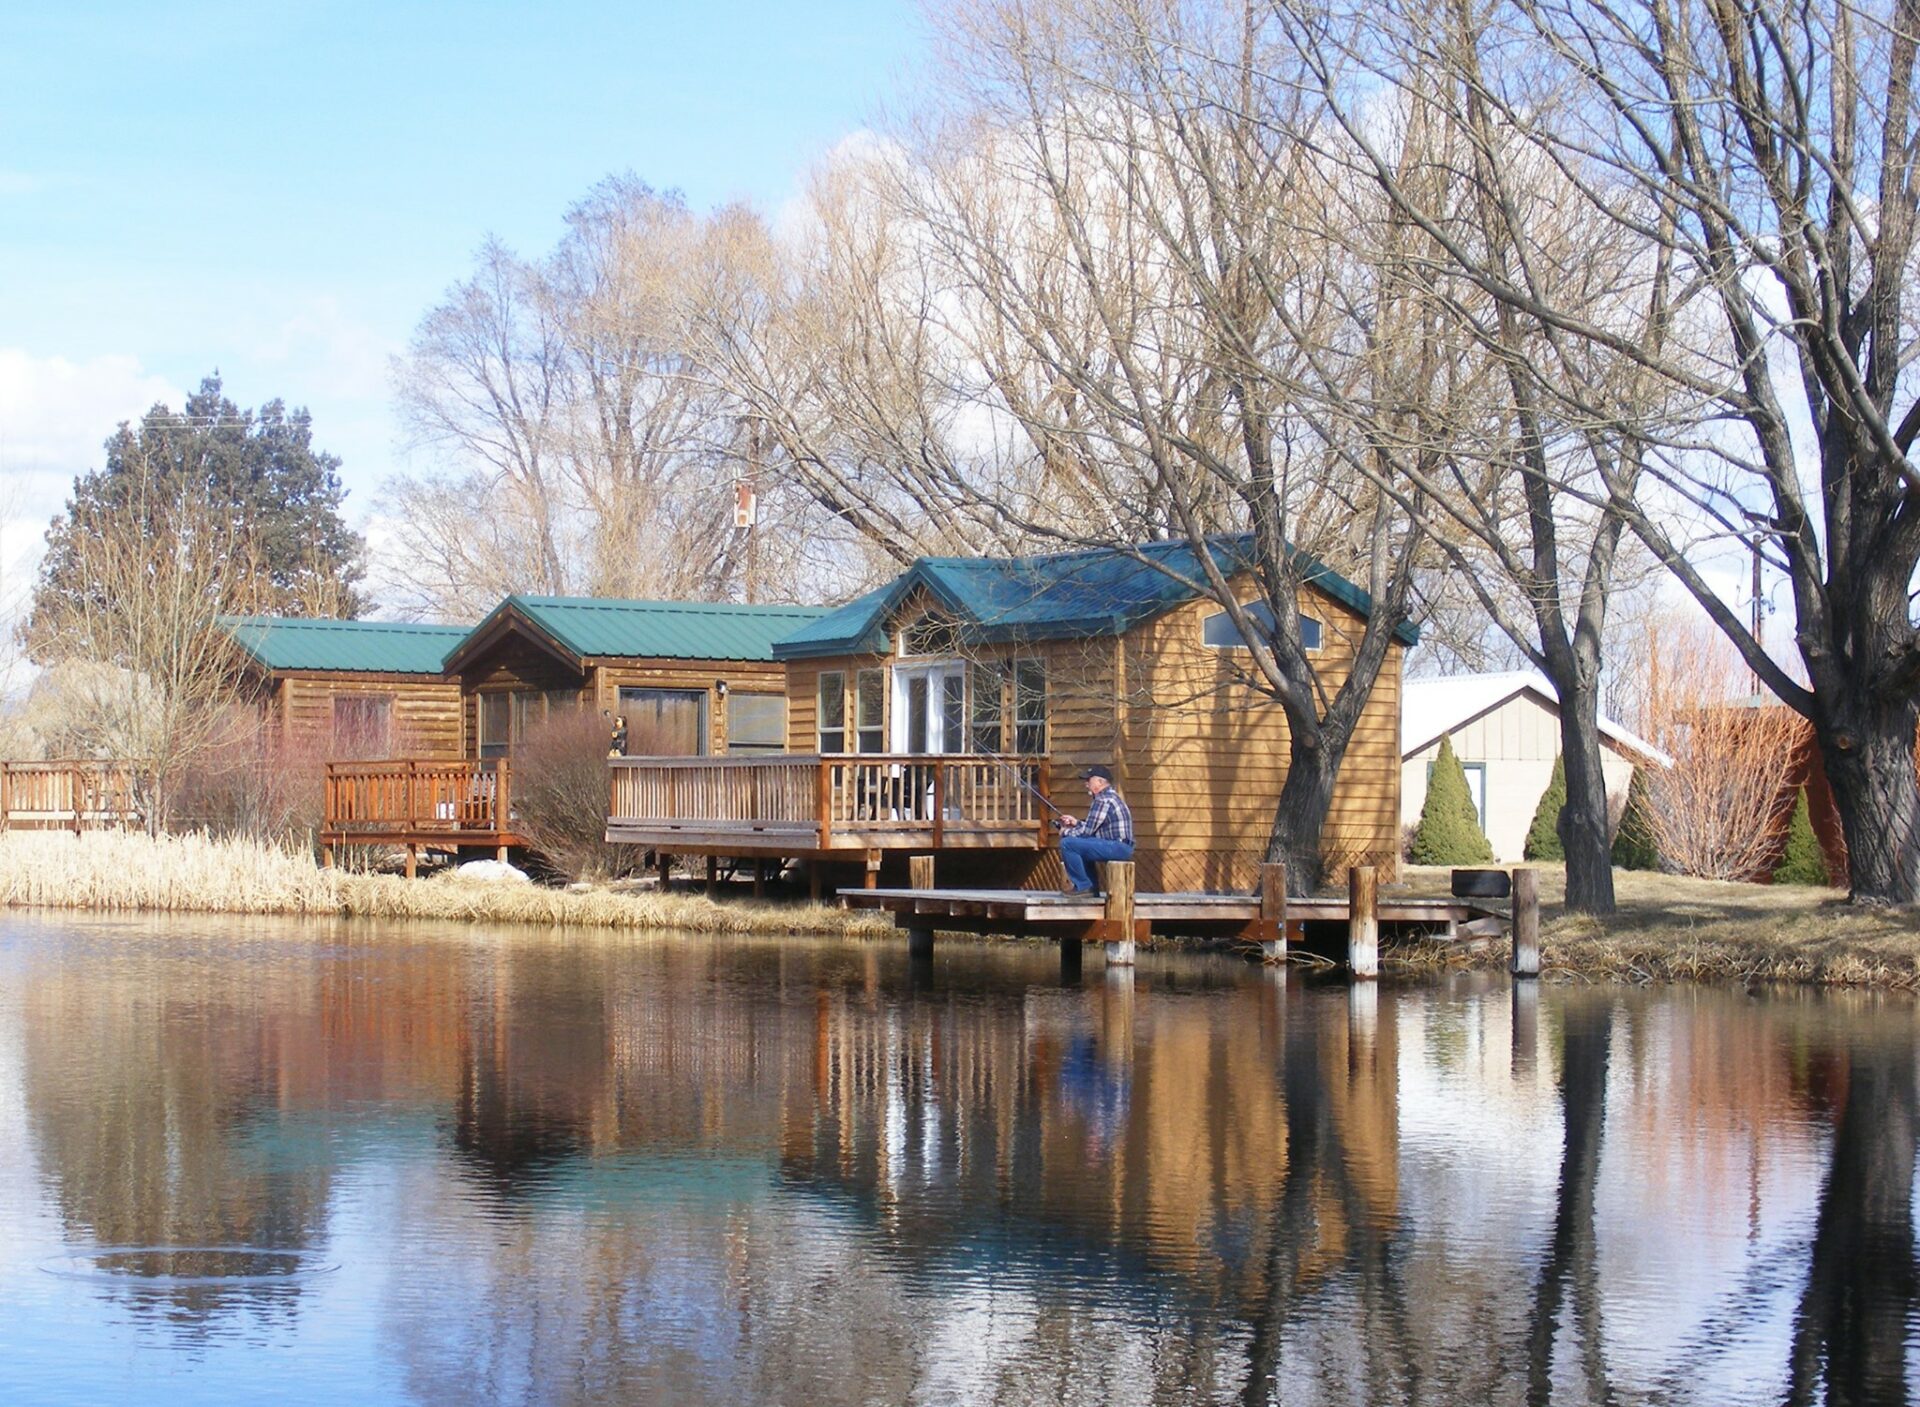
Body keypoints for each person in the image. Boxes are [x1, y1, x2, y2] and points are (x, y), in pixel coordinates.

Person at [1057, 765, 1134, 894]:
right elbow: (1093, 828)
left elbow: (1087, 832)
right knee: (1080, 845)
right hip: (1119, 845)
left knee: (1068, 844)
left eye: (1089, 780)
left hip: (1117, 846)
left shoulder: (1103, 800)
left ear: (1100, 782)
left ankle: (1084, 886)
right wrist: (1075, 823)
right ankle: (1091, 889)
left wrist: (1065, 832)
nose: (1086, 784)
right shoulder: (1110, 796)